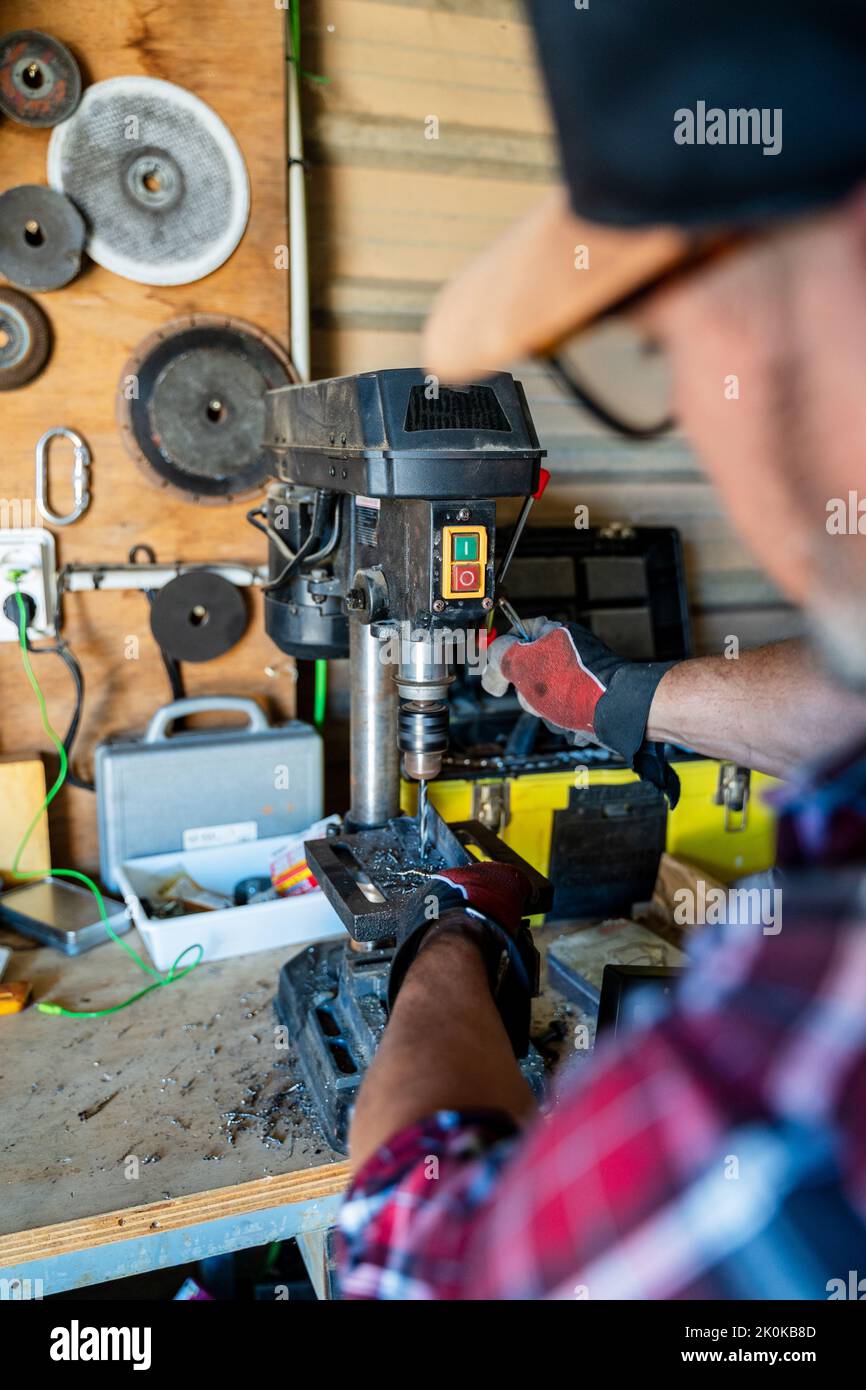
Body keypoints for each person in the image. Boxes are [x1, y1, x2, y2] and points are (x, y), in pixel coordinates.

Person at [337, 2, 866, 1299]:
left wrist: (451, 936)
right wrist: (615, 694)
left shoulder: (801, 1054)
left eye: (659, 347)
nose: (686, 397)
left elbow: (423, 1264)